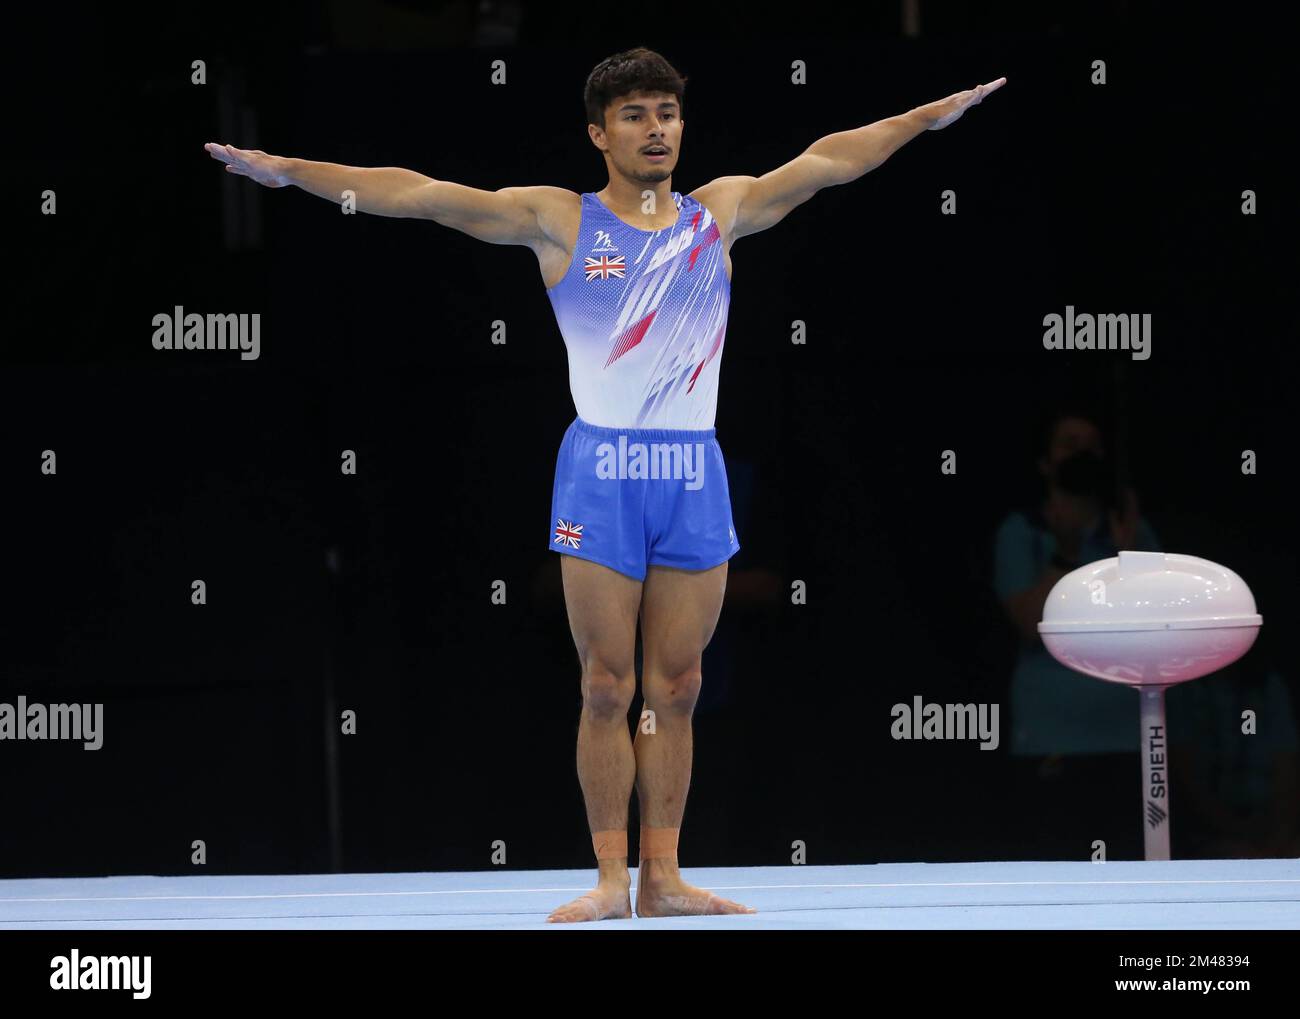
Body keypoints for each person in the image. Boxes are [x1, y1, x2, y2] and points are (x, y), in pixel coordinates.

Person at [207, 47, 1006, 921]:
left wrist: (928, 116)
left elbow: (835, 157)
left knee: (679, 685)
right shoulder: (561, 221)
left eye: (666, 111)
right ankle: (608, 878)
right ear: (600, 134)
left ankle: (662, 878)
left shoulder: (722, 211)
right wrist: (287, 171)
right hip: (601, 471)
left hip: (690, 469)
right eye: (634, 115)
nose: (655, 127)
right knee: (604, 684)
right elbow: (418, 193)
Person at [993, 409, 1161, 855]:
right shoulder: (1023, 531)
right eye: (1069, 443)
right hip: (1051, 743)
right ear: (1045, 462)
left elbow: (1159, 627)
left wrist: (1128, 552)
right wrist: (1066, 550)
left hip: (1131, 739)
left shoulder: (1132, 531)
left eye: (1091, 445)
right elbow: (1030, 624)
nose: (1082, 453)